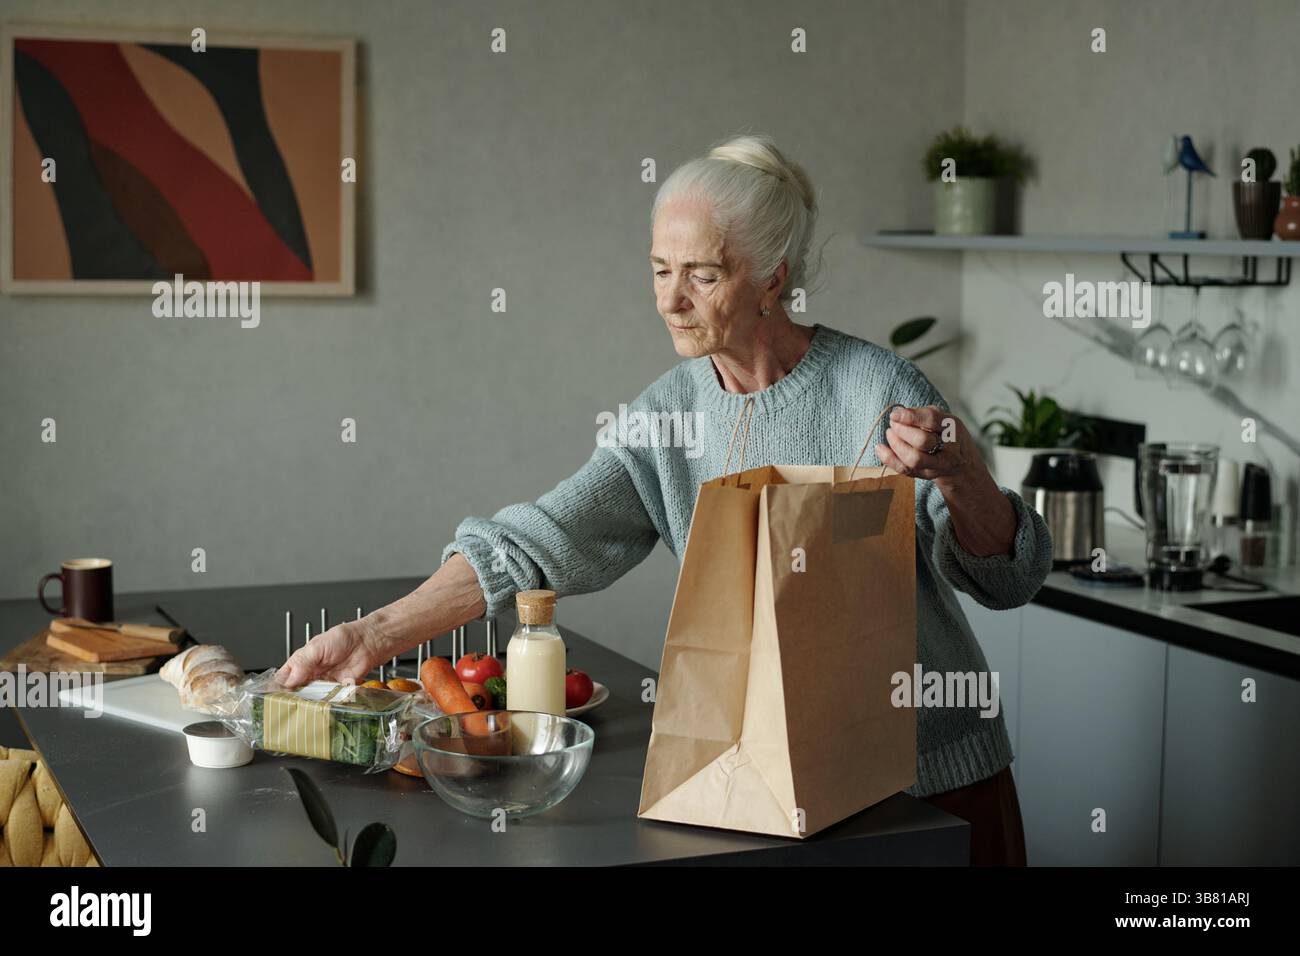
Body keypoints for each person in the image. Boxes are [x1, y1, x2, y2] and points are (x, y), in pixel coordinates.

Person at [278, 133, 1051, 865]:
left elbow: (1007, 579)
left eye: (702, 275)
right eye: (659, 270)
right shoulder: (666, 415)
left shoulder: (875, 390)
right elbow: (534, 541)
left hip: (927, 782)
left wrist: (961, 473)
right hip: (762, 777)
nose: (671, 301)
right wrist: (375, 635)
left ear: (774, 277)